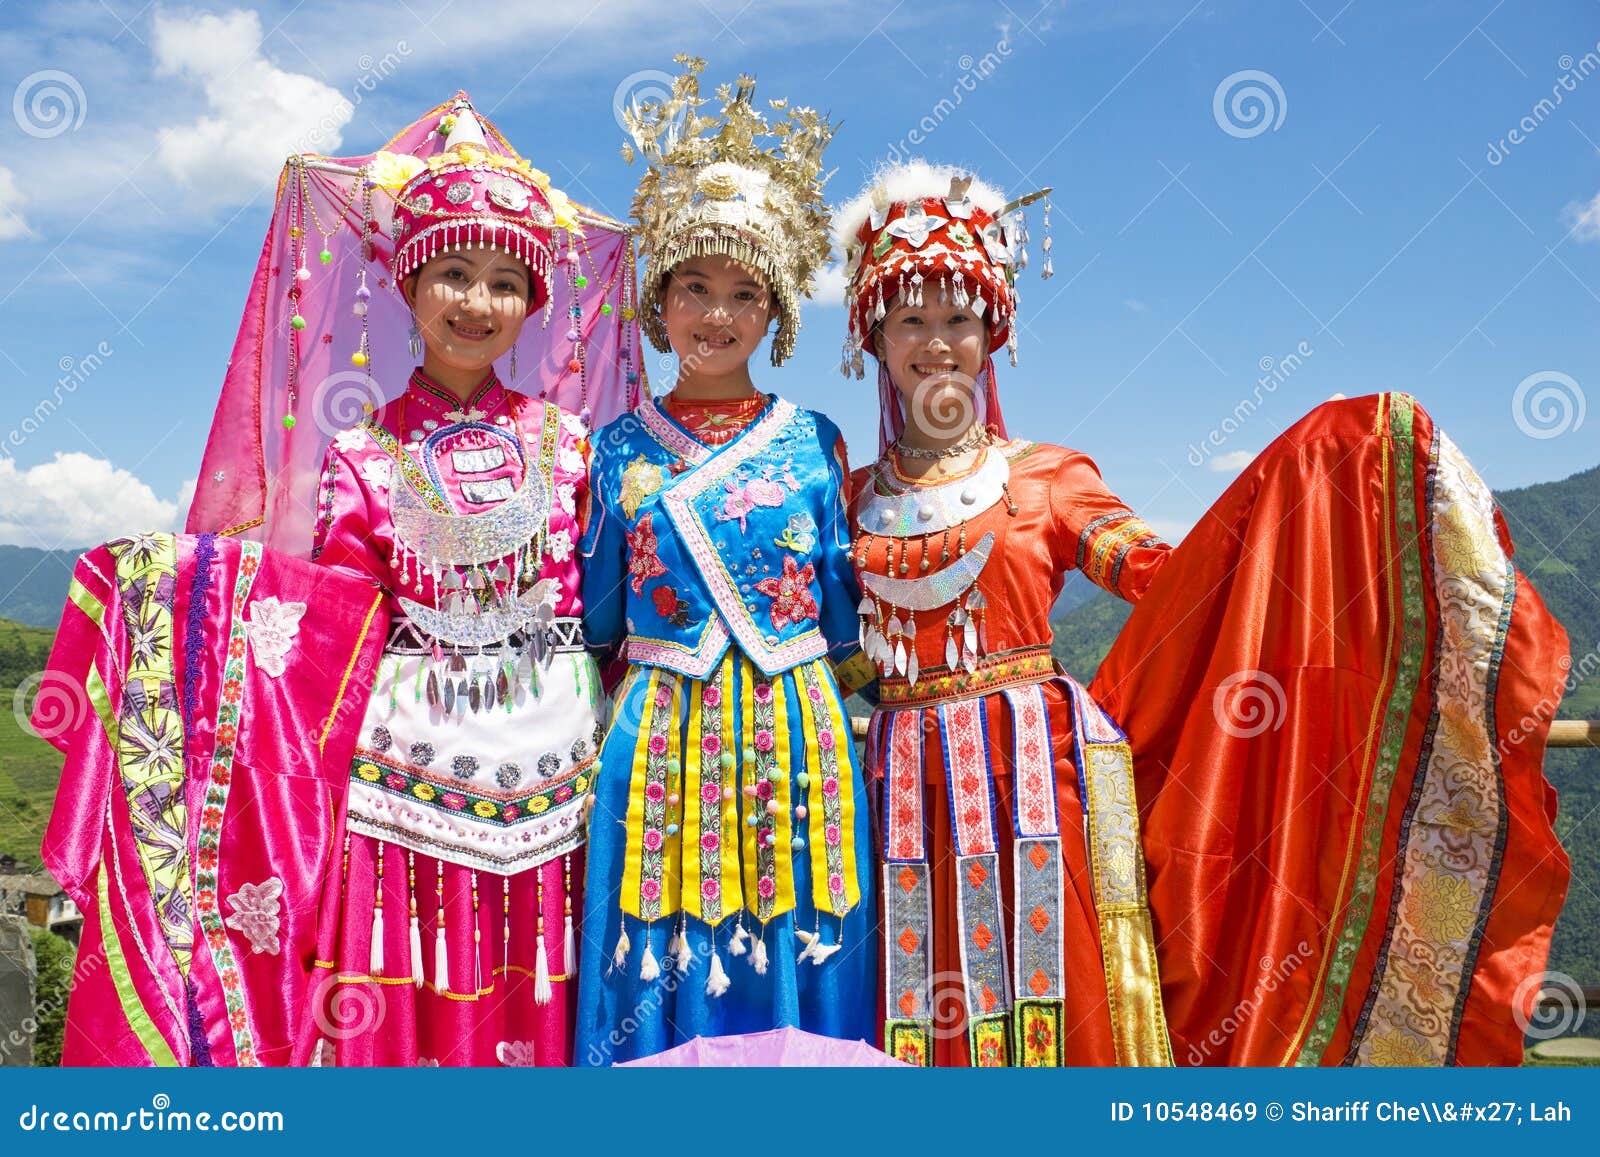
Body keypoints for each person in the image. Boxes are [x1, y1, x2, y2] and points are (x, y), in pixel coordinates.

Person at [839, 160, 1572, 1067]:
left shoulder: (1046, 475)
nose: (937, 342)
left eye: (959, 317)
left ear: (994, 331)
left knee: (1053, 994)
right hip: (895, 783)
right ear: (873, 334)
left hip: (1034, 777)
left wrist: (1312, 490)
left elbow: (1168, 575)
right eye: (913, 317)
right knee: (905, 1001)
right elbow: (837, 650)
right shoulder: (851, 496)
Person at [574, 58, 876, 1065]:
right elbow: (598, 618)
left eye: (744, 292)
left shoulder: (815, 437)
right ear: (658, 300)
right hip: (658, 725)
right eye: (693, 287)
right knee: (654, 945)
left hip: (798, 724)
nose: (715, 313)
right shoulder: (616, 444)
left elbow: (844, 621)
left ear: (777, 312)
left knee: (804, 924)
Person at [305, 110, 598, 1066]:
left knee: (553, 999)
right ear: (408, 285)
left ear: (533, 300)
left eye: (507, 282)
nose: (479, 302)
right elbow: (330, 635)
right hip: (406, 781)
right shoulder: (359, 455)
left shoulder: (572, 447)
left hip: (564, 775)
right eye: (455, 276)